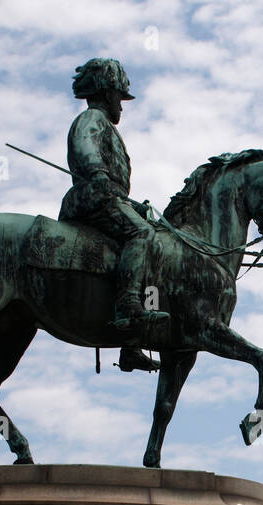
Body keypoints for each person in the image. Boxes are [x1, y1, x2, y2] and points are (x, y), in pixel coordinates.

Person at [58, 57, 165, 374]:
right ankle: (128, 304)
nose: (122, 104)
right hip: (93, 196)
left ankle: (132, 344)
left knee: (153, 238)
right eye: (120, 97)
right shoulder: (92, 119)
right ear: (106, 93)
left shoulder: (104, 123)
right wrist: (97, 171)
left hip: (108, 195)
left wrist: (133, 205)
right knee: (142, 234)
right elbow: (85, 146)